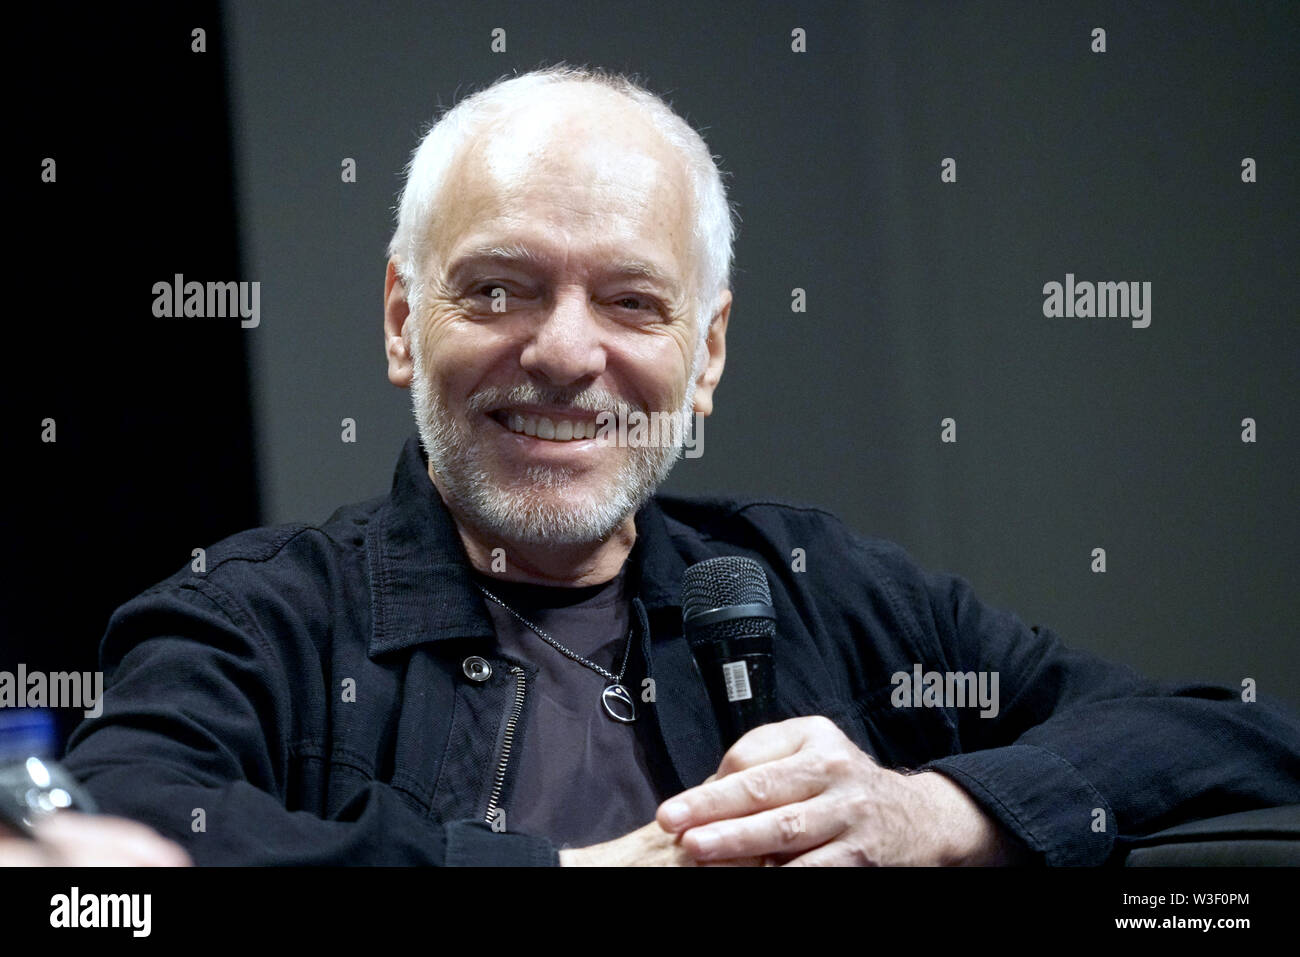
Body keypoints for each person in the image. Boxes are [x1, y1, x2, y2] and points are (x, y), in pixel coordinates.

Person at [44, 65, 1300, 867]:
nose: (565, 353)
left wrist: (938, 815)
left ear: (703, 358)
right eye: (497, 290)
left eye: (634, 306)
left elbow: (1226, 738)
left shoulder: (823, 586)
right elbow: (106, 843)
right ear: (399, 321)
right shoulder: (250, 623)